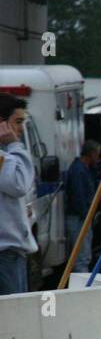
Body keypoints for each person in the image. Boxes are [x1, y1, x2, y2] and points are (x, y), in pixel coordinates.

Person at [0, 93, 37, 296]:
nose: (21, 129)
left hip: (10, 252)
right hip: (5, 252)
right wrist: (15, 146)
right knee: (14, 318)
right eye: (18, 122)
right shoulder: (6, 155)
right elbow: (19, 184)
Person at [63, 140, 101, 274]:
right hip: (79, 219)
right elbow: (78, 197)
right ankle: (82, 288)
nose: (98, 158)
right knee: (82, 258)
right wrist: (88, 216)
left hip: (79, 217)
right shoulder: (79, 171)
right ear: (91, 154)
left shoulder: (81, 168)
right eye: (97, 154)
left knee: (80, 257)